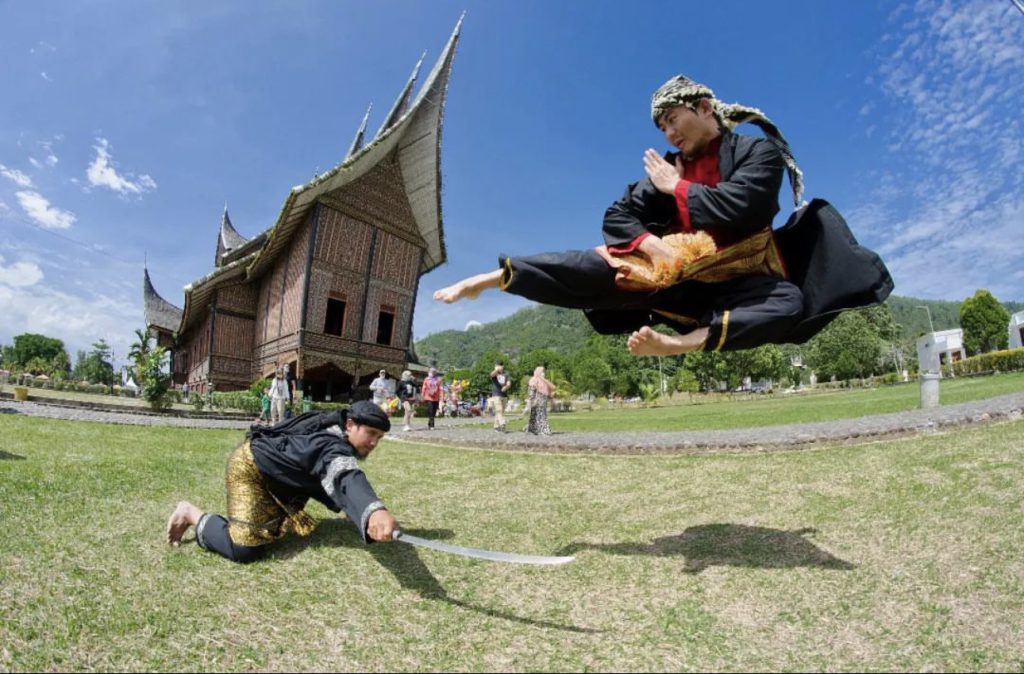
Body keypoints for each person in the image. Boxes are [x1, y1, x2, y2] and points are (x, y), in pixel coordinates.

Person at [433, 75, 892, 356]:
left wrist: (679, 189)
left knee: (788, 303)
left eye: (673, 120)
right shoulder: (667, 170)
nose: (669, 133)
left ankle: (673, 345)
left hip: (748, 276)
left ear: (705, 108)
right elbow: (617, 215)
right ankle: (493, 279)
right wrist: (653, 246)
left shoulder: (757, 152)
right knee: (600, 266)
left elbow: (745, 207)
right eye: (662, 127)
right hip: (682, 277)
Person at [165, 401, 398, 563]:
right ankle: (191, 513)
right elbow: (345, 475)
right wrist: (373, 511)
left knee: (271, 531)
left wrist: (355, 510)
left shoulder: (333, 430)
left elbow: (321, 478)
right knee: (244, 549)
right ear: (349, 425)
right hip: (251, 468)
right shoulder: (331, 444)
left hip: (276, 474)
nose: (374, 442)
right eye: (370, 433)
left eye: (379, 437)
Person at [526, 366, 556, 435]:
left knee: (541, 414)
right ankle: (540, 430)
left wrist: (543, 379)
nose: (543, 373)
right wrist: (532, 400)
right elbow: (531, 391)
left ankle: (539, 429)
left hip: (543, 400)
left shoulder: (545, 381)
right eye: (542, 371)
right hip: (537, 399)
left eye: (543, 372)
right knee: (537, 415)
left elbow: (553, 387)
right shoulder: (533, 379)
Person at [489, 363, 511, 433]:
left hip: (504, 395)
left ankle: (496, 426)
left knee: (501, 412)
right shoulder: (495, 374)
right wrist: (496, 369)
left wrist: (506, 387)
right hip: (496, 395)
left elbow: (509, 383)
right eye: (498, 365)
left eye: (501, 366)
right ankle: (502, 424)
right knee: (499, 410)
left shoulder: (506, 375)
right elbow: (491, 374)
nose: (500, 367)